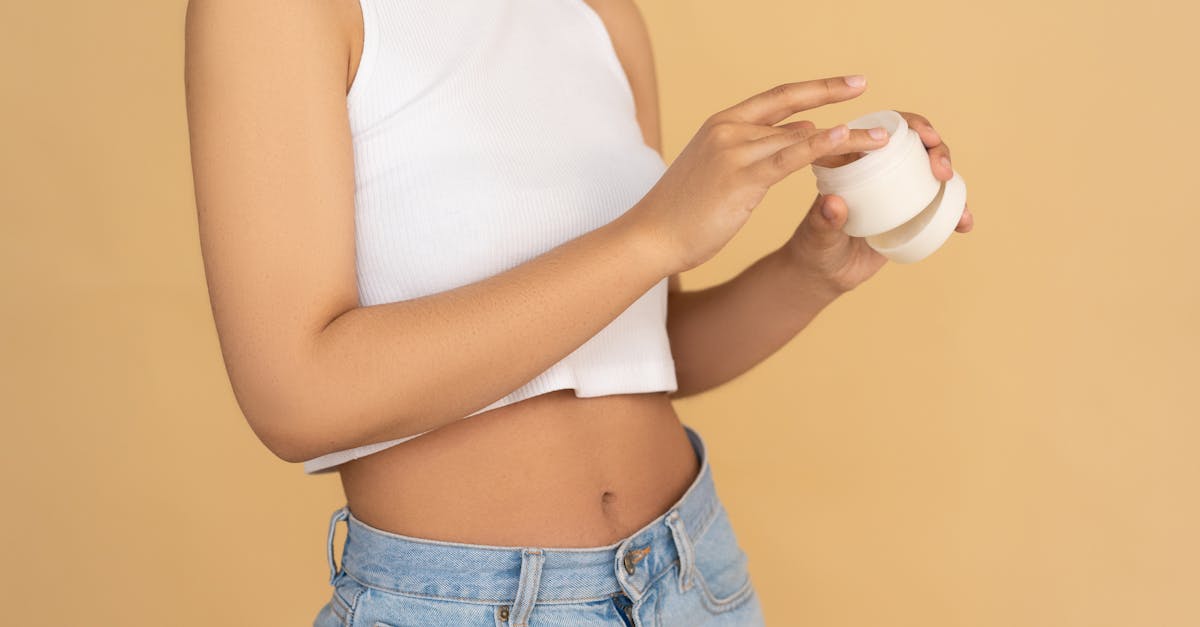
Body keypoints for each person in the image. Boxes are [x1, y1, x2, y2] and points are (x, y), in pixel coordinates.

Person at [183, 0, 971, 624]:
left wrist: (808, 272)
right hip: (456, 605)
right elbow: (296, 396)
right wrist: (652, 234)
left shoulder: (603, 16)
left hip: (692, 576)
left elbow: (649, 350)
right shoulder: (283, 10)